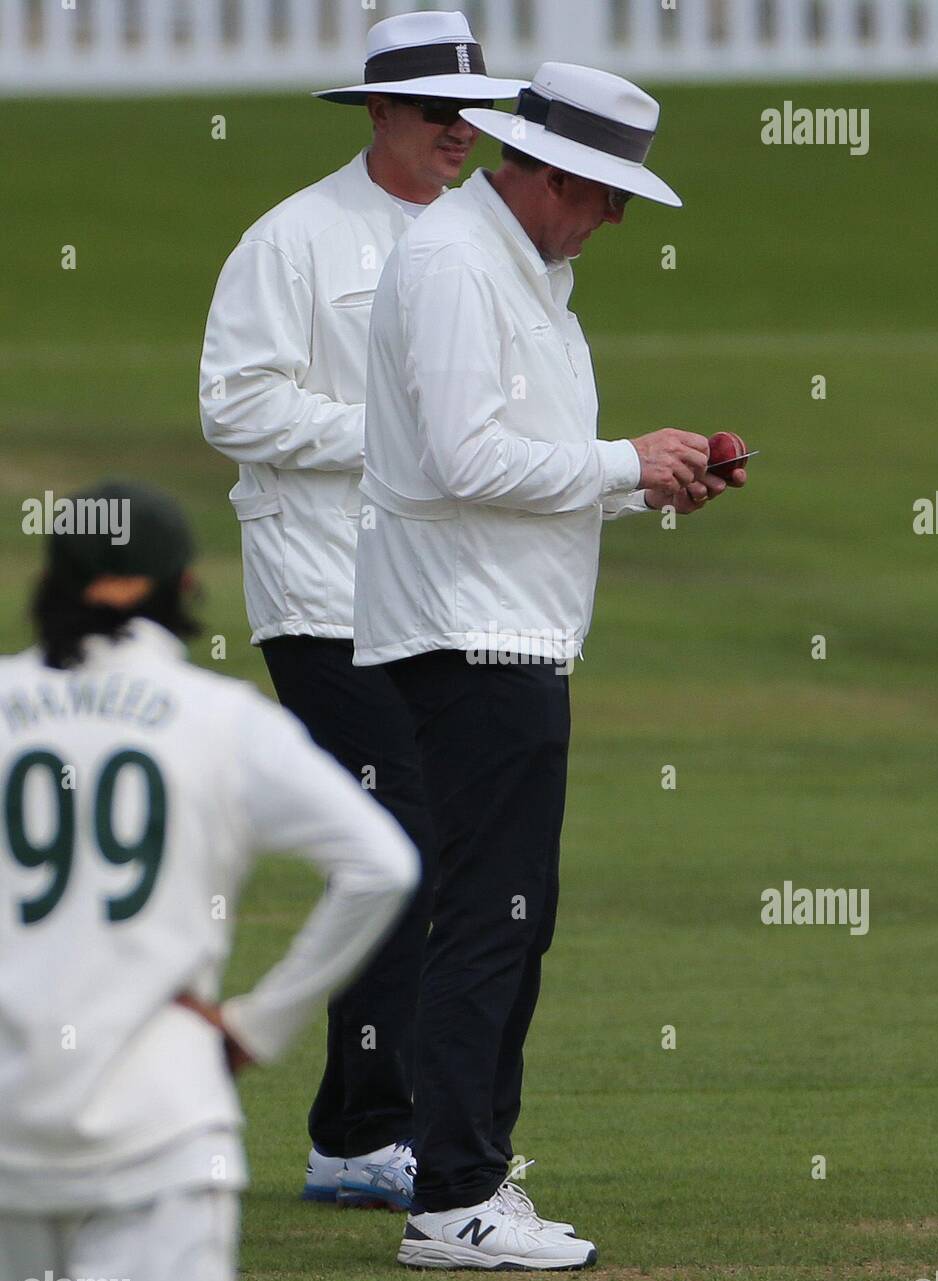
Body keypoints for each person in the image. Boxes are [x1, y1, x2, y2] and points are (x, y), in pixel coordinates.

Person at [353, 62, 748, 1270]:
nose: (615, 219)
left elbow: (531, 473)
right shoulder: (457, 263)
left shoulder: (524, 270)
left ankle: (467, 1180)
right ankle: (454, 1198)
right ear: (554, 175)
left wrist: (650, 481)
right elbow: (470, 461)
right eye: (607, 194)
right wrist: (626, 461)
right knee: (489, 918)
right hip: (469, 634)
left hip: (506, 626)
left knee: (510, 918)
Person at [198, 12, 523, 1210]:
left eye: (471, 110)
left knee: (452, 855)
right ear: (377, 112)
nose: (457, 131)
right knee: (404, 847)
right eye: (435, 109)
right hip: (324, 592)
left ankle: (375, 1130)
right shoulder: (294, 238)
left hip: (450, 595)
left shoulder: (497, 243)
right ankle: (360, 1133)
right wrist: (389, 440)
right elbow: (232, 404)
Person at [0, 482, 419, 1281]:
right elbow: (384, 865)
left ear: (51, 577)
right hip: (164, 1122)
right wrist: (257, 1026)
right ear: (184, 588)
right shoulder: (222, 717)